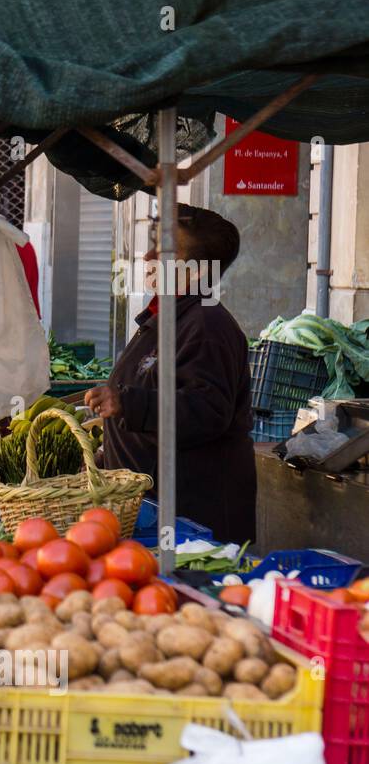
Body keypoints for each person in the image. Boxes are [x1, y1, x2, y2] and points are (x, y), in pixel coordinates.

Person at [86, 204, 256, 544]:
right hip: (151, 508)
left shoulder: (208, 325)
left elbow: (208, 412)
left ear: (194, 271)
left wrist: (126, 403)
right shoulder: (164, 318)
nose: (148, 256)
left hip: (192, 522)